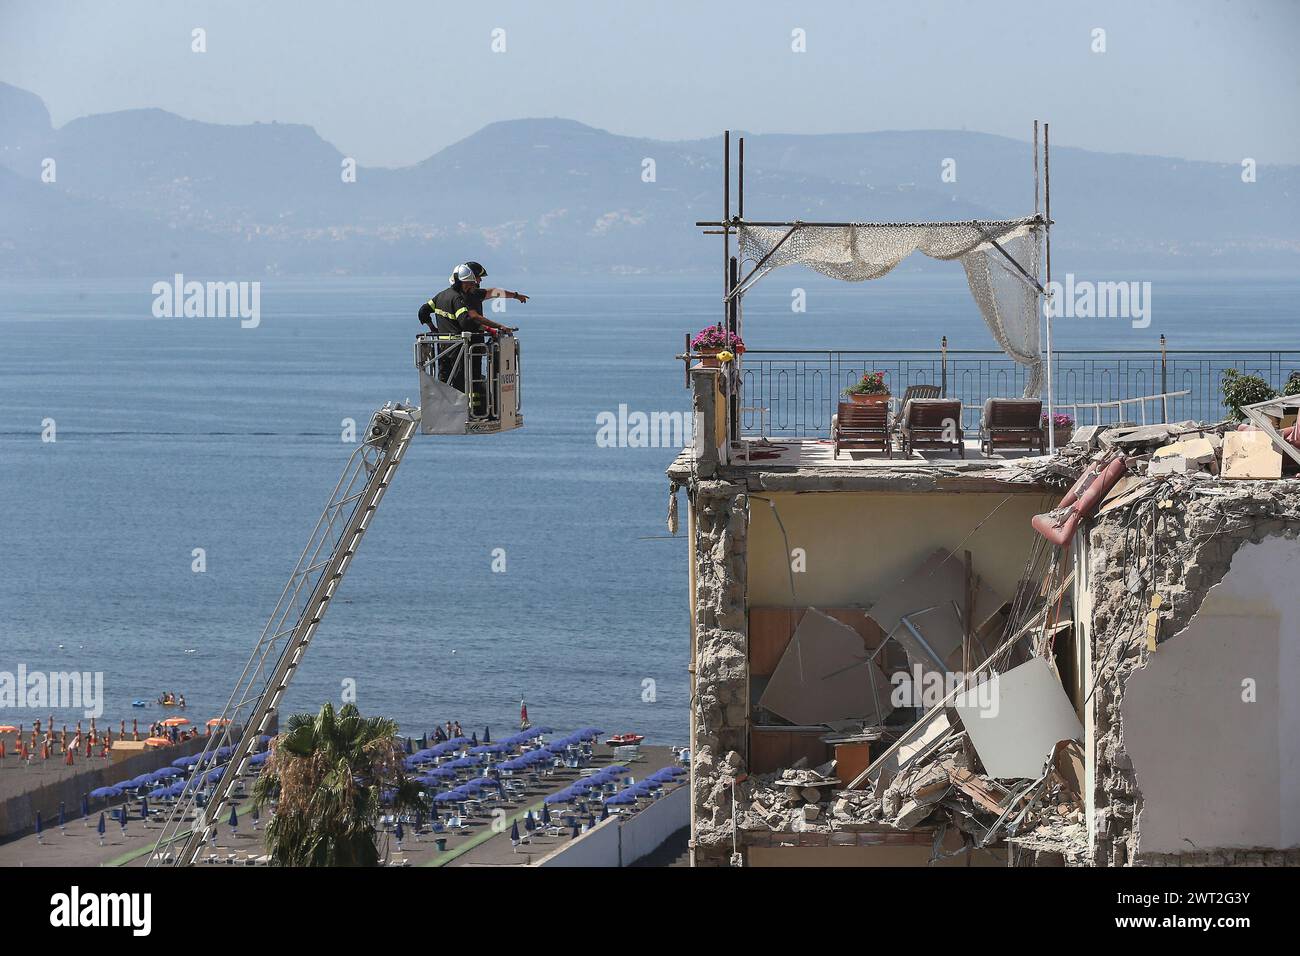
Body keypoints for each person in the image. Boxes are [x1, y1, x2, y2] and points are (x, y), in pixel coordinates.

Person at [418, 263, 525, 404]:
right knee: (465, 381)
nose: (477, 282)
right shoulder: (460, 298)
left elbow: (423, 311)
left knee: (445, 381)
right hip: (463, 348)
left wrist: (433, 329)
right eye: (475, 280)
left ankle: (446, 408)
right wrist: (494, 328)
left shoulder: (441, 296)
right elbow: (469, 320)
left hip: (444, 348)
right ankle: (468, 410)